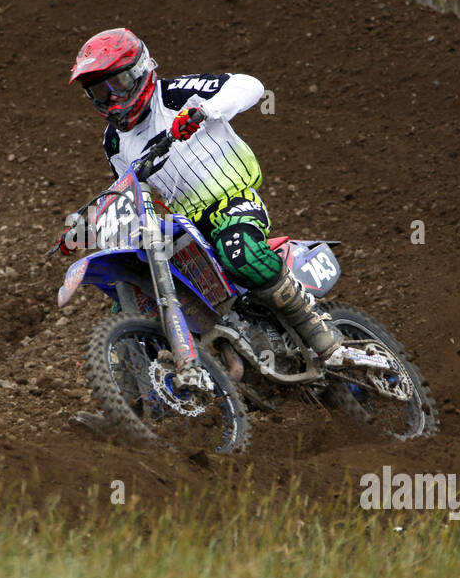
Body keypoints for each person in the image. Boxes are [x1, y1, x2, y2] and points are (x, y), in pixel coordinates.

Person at [64, 27, 340, 362]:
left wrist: (205, 111)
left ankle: (316, 327)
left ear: (139, 72)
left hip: (231, 201)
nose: (111, 98)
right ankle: (130, 400)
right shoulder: (114, 142)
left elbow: (249, 85)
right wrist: (87, 225)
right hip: (183, 226)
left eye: (117, 84)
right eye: (98, 90)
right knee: (131, 295)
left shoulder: (178, 93)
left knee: (239, 252)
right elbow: (128, 192)